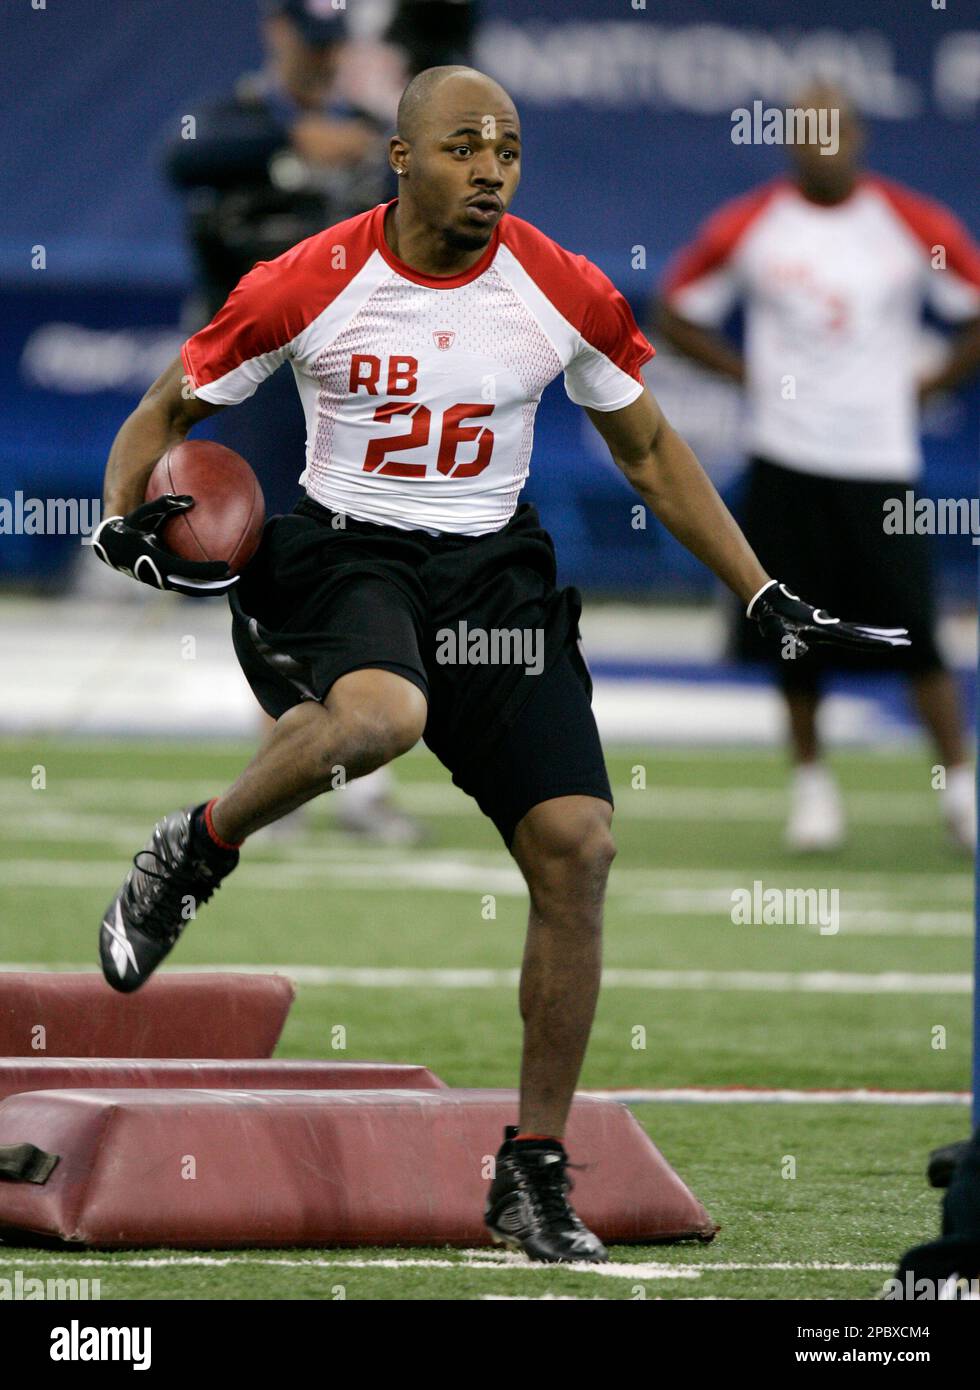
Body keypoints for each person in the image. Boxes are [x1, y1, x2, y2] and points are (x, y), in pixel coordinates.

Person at [92, 67, 905, 1263]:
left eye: (507, 150)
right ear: (401, 157)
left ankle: (530, 1170)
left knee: (578, 845)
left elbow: (649, 452)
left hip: (492, 575)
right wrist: (125, 521)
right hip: (343, 555)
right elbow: (165, 413)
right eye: (463, 145)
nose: (489, 168)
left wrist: (762, 590)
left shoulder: (557, 284)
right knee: (384, 714)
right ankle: (197, 845)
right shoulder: (308, 278)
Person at [658, 83, 980, 852]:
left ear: (859, 135)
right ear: (786, 139)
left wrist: (929, 385)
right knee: (794, 629)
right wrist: (748, 379)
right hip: (785, 454)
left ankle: (961, 790)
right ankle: (811, 789)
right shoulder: (753, 225)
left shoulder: (910, 223)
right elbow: (676, 309)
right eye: (805, 130)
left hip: (878, 458)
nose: (820, 143)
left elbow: (973, 306)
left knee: (915, 631)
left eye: (833, 129)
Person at [165, 0, 419, 843]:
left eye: (331, 44)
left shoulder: (367, 130)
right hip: (254, 377)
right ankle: (277, 771)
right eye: (307, 41)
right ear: (278, 33)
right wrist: (289, 146)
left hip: (347, 377)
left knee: (365, 556)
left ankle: (359, 780)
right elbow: (183, 155)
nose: (318, 58)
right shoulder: (237, 119)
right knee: (271, 565)